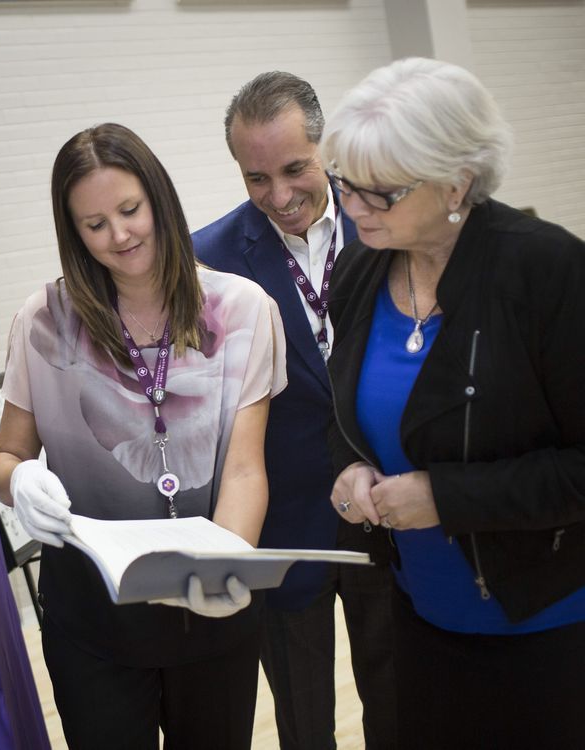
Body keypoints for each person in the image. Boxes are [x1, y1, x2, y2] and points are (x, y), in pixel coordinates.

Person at [0, 122, 286, 749]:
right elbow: (6, 456)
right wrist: (21, 478)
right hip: (92, 619)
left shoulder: (242, 309)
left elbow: (243, 468)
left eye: (129, 211)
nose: (119, 236)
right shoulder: (43, 321)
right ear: (73, 232)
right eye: (95, 225)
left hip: (211, 609)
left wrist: (222, 569)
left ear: (159, 199)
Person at [322, 57, 585, 750]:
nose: (354, 209)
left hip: (548, 624)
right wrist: (349, 468)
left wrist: (447, 497)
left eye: (381, 192)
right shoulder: (360, 267)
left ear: (457, 182)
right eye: (344, 184)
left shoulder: (546, 270)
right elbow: (350, 409)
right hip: (421, 614)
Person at [192, 71, 396, 749]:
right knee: (304, 727)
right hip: (282, 527)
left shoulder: (387, 221)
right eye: (256, 178)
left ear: (325, 147)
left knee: (402, 706)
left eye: (293, 169)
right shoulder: (208, 260)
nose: (279, 196)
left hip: (390, 514)